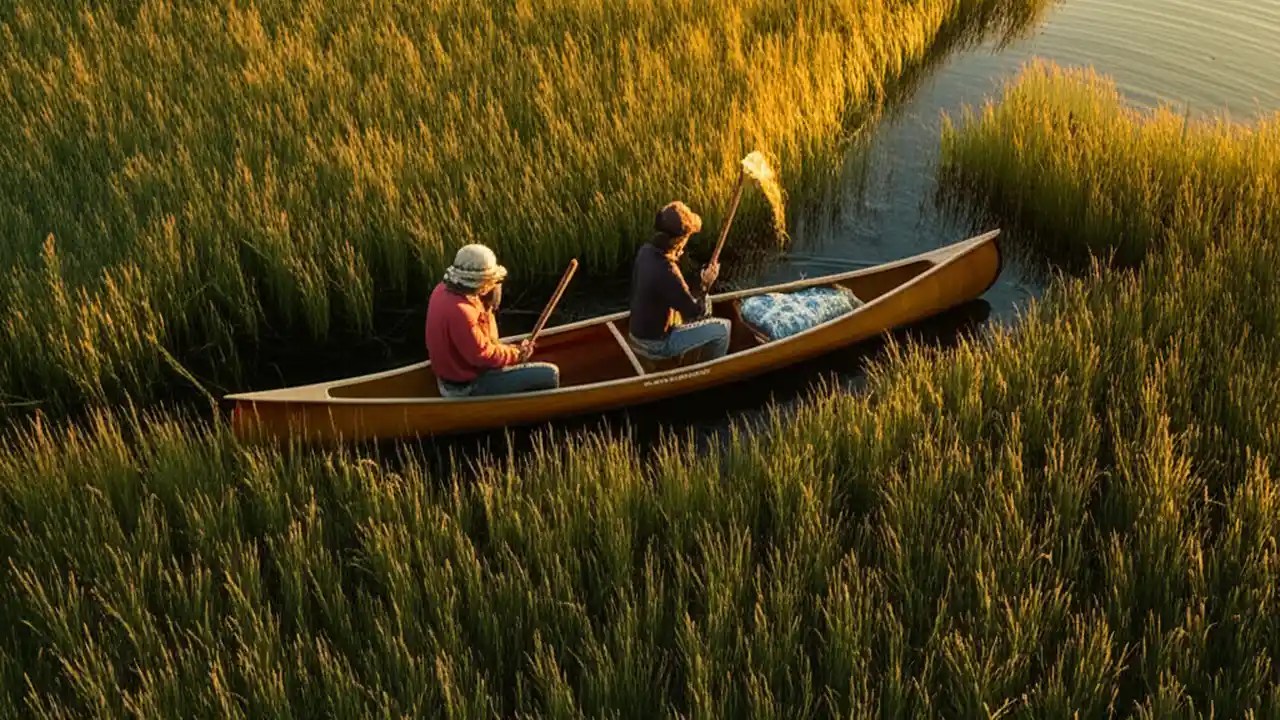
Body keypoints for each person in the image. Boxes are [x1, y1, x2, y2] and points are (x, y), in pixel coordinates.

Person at [426, 244, 560, 397]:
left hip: (451, 378)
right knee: (550, 374)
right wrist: (516, 354)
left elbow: (488, 341)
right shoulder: (462, 312)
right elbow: (484, 355)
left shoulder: (440, 291)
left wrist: (489, 308)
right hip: (466, 387)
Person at [628, 201, 731, 361]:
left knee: (699, 310)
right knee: (723, 328)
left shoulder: (645, 251)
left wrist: (675, 254)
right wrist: (705, 284)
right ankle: (708, 370)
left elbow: (665, 287)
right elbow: (695, 313)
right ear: (680, 240)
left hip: (635, 336)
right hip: (656, 345)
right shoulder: (668, 271)